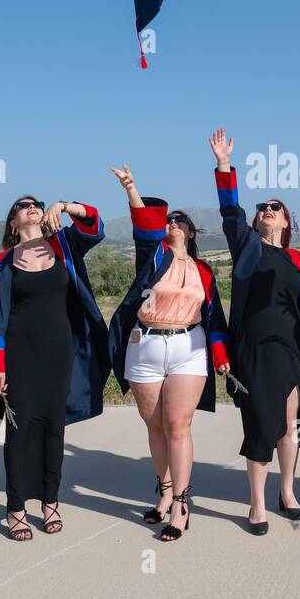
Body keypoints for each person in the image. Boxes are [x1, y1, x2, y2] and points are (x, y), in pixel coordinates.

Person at [107, 164, 230, 541]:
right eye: (169, 220)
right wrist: (132, 188)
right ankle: (162, 492)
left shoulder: (204, 271)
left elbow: (215, 318)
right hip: (143, 345)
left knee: (178, 425)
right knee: (155, 425)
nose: (173, 223)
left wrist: (221, 355)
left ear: (191, 232)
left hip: (188, 347)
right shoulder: (153, 257)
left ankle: (181, 503)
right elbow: (144, 224)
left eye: (180, 221)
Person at [211, 129, 300, 535]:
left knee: (291, 422)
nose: (267, 210)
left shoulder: (296, 257)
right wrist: (224, 165)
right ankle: (257, 504)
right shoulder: (247, 245)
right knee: (261, 421)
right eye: (262, 207)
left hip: (289, 348)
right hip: (254, 347)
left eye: (275, 206)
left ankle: (287, 491)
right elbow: (230, 213)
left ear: (287, 219)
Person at [0, 195, 108, 541]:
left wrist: (66, 206)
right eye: (23, 206)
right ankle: (15, 507)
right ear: (13, 223)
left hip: (59, 352)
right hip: (19, 354)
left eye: (37, 203)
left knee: (55, 427)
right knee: (21, 429)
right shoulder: (1, 263)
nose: (32, 206)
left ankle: (51, 501)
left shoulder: (64, 244)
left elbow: (96, 225)